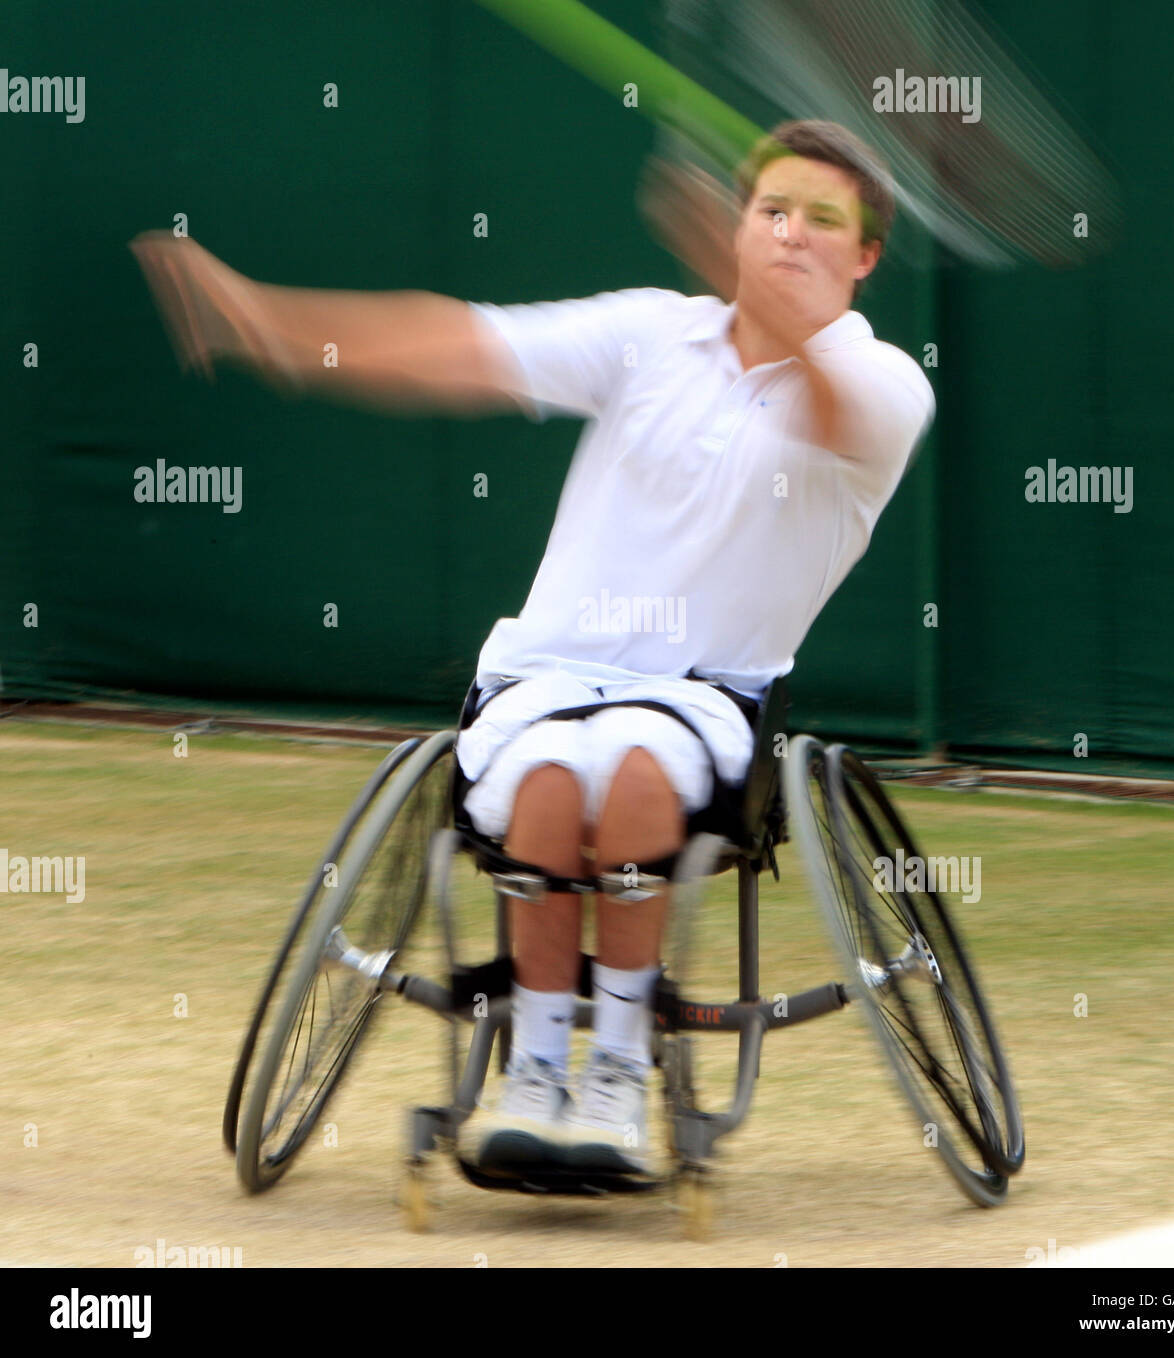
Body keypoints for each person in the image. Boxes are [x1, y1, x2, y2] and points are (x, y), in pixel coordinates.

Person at [130, 118, 935, 1181]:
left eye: (819, 220)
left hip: (703, 700)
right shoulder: (651, 332)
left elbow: (832, 410)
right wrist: (281, 326)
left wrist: (768, 308)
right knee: (553, 776)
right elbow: (464, 343)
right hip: (543, 675)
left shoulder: (884, 385)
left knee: (636, 770)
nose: (788, 235)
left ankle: (616, 1078)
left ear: (865, 255)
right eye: (768, 211)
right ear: (739, 226)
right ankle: (534, 1070)